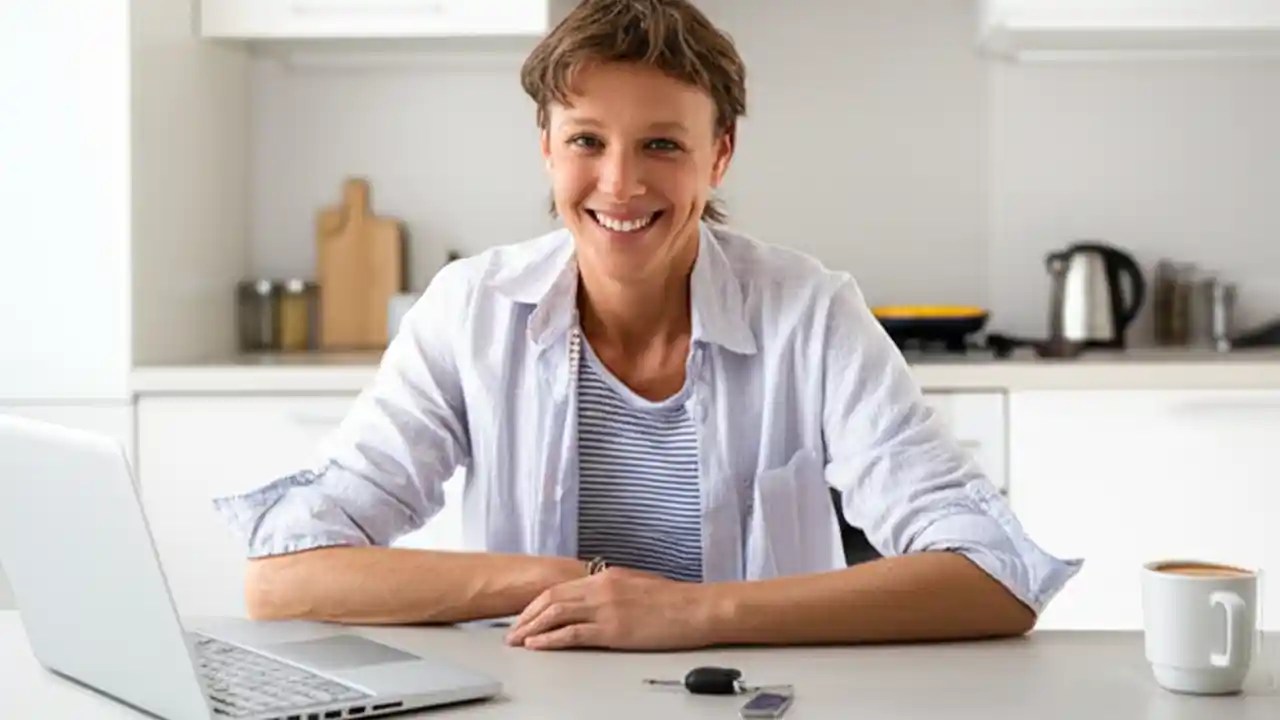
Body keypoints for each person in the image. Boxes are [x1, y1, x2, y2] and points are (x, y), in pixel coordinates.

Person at [214, 0, 1080, 651]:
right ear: (547, 147)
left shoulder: (811, 313)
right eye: (588, 140)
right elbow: (283, 580)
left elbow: (994, 578)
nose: (620, 183)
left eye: (662, 144)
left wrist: (691, 611)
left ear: (720, 155)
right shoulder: (470, 310)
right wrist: (570, 585)